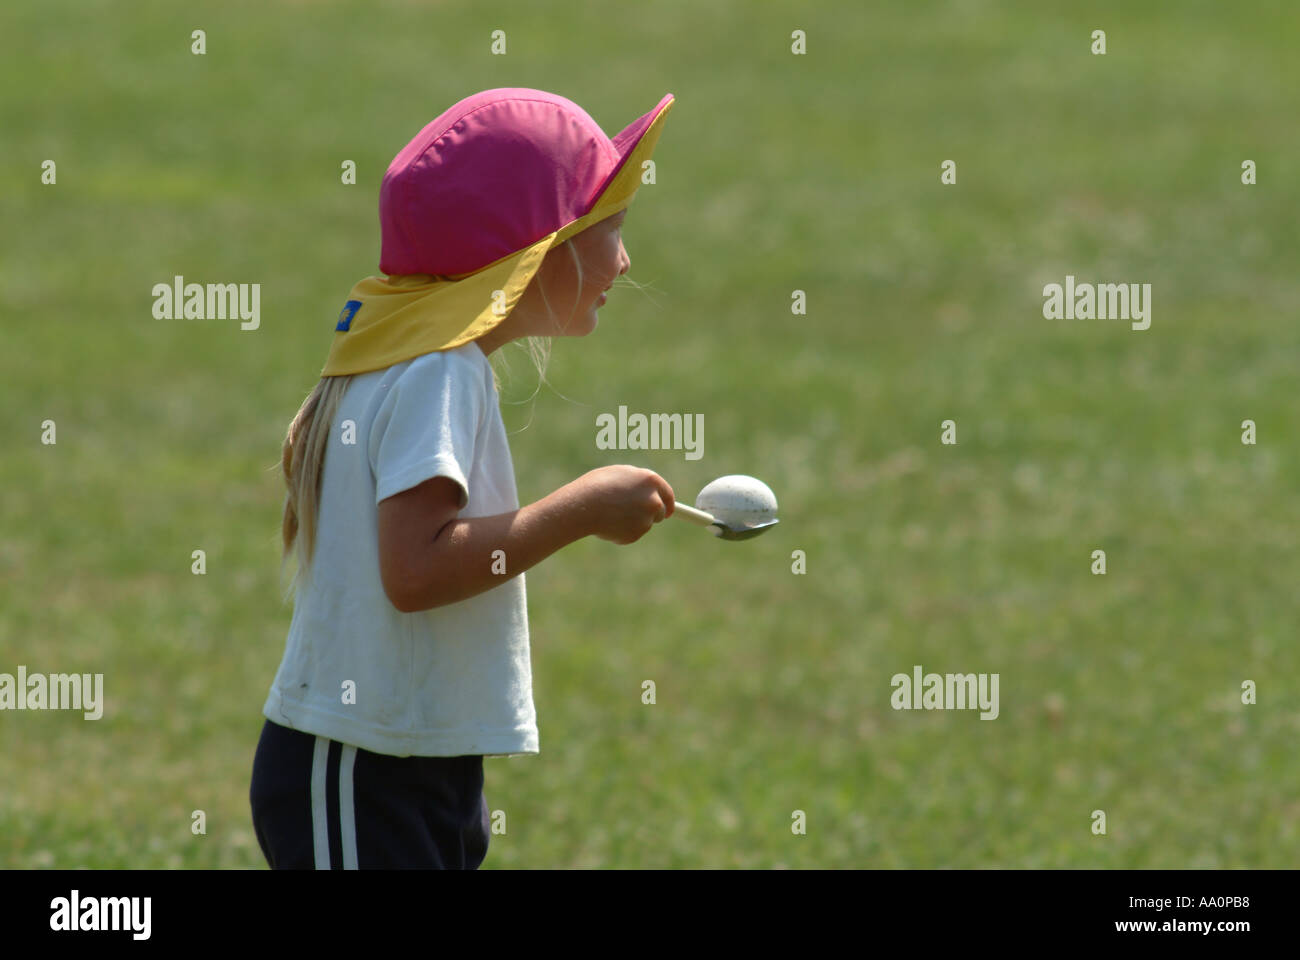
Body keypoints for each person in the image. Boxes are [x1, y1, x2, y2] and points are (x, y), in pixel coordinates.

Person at [249, 88, 677, 869]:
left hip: (411, 752)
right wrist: (581, 509)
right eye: (609, 229)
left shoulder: (417, 357)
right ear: (537, 250)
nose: (624, 258)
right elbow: (415, 571)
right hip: (359, 763)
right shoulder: (439, 372)